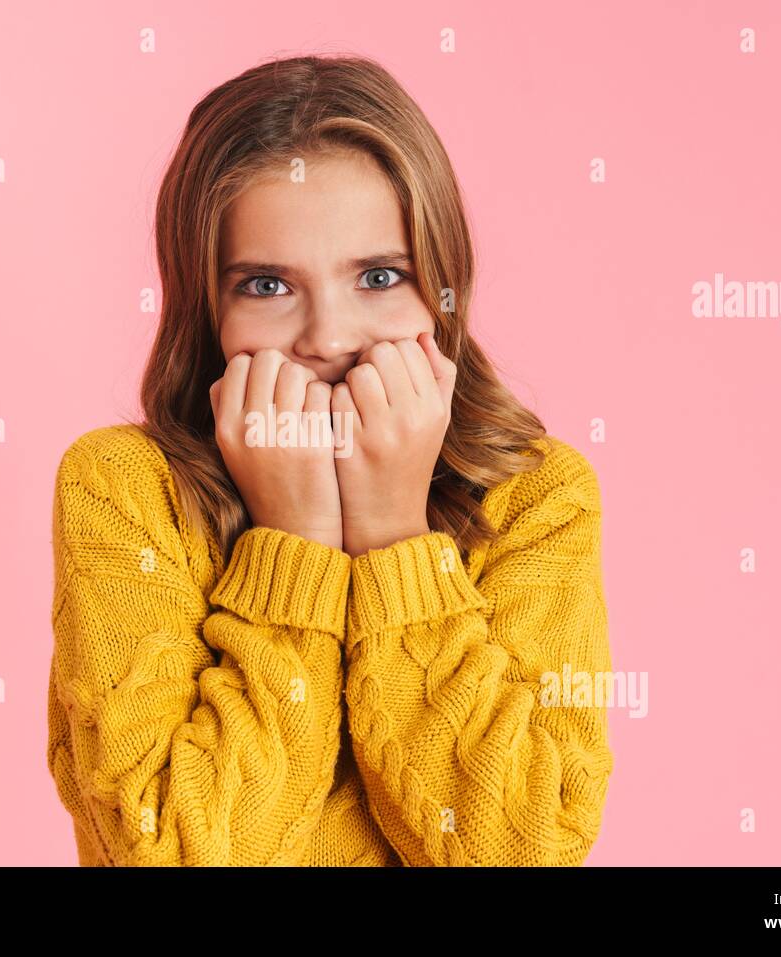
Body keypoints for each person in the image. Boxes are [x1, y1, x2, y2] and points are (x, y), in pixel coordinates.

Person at [47, 53, 614, 866]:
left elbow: (523, 850)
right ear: (208, 307)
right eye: (268, 286)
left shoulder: (537, 499)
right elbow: (171, 852)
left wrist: (392, 534)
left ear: (441, 290)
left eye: (380, 276)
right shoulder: (124, 491)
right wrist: (296, 542)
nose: (330, 338)